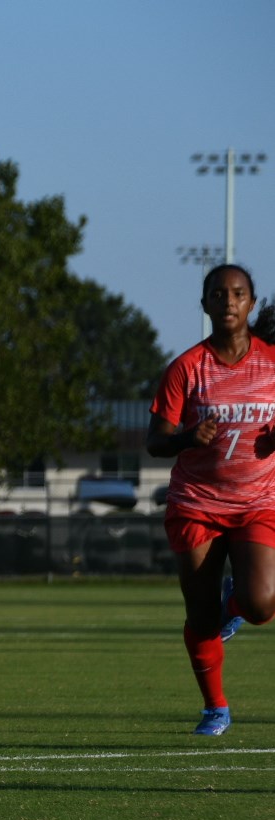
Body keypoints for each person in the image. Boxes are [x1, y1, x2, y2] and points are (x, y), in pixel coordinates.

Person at [147, 264, 275, 736]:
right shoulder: (186, 368)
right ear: (204, 304)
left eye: (237, 293)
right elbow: (154, 442)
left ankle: (236, 604)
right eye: (217, 294)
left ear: (252, 304)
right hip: (196, 504)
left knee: (261, 604)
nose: (228, 301)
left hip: (259, 501)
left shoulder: (273, 361)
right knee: (200, 617)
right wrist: (185, 439)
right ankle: (215, 707)